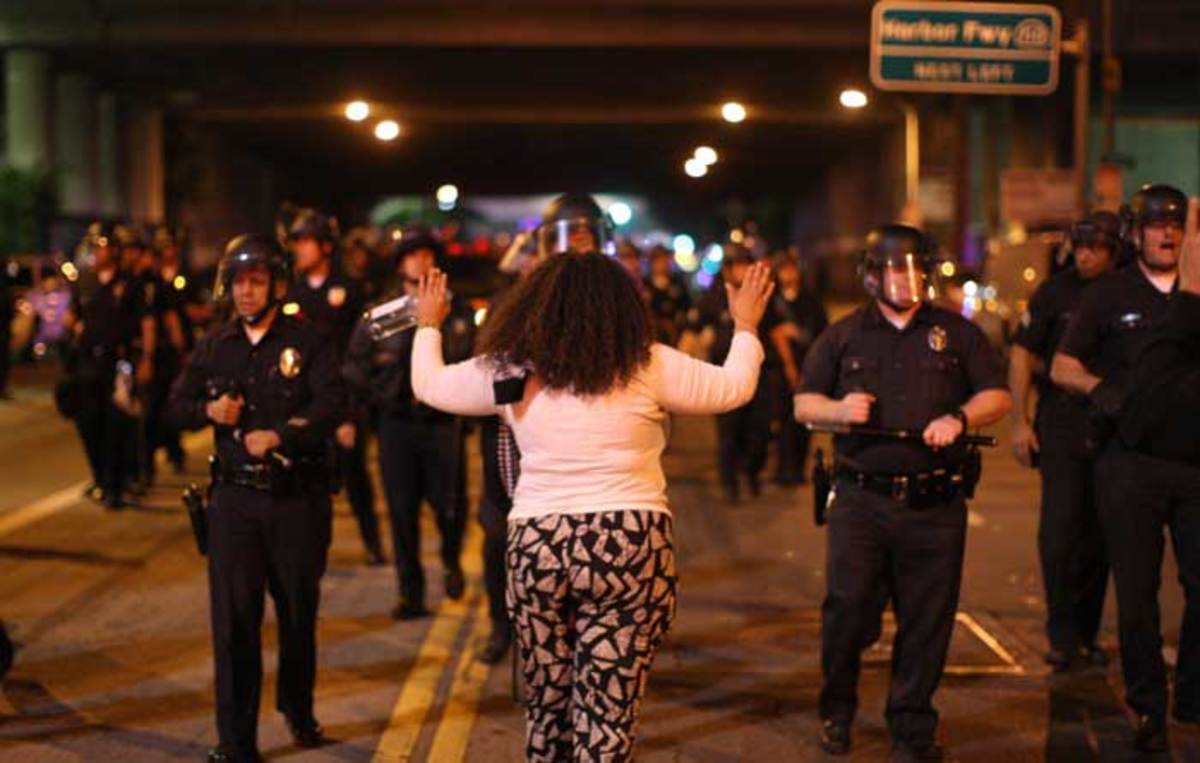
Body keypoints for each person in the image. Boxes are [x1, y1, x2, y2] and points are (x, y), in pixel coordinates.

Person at [410, 250, 775, 763]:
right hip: (628, 540)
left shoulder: (512, 367)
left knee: (547, 699)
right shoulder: (648, 362)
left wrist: (428, 326)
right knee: (608, 707)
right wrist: (746, 327)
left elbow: (429, 386)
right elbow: (735, 387)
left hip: (540, 543)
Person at [795, 224, 1011, 761]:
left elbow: (997, 395)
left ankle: (911, 724)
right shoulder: (843, 335)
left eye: (916, 269)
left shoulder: (958, 334)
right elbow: (804, 405)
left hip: (935, 502)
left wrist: (960, 418)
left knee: (927, 616)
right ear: (872, 275)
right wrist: (839, 412)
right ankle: (837, 710)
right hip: (861, 501)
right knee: (848, 611)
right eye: (896, 269)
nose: (907, 280)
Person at [169, 234, 341, 763]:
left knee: (296, 614)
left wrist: (283, 435)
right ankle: (235, 740)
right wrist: (208, 412)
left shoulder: (308, 341)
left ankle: (298, 708)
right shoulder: (216, 345)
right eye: (238, 282)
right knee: (234, 623)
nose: (245, 292)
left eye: (257, 281)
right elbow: (174, 406)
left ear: (276, 285)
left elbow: (335, 400)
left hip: (295, 499)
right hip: (234, 503)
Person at [1052, 184, 1190, 752]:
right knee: (1136, 593)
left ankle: (1194, 696)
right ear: (1137, 232)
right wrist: (1098, 388)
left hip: (1196, 464)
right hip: (1128, 465)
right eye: (1158, 224)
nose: (1168, 233)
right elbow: (1062, 365)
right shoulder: (1109, 293)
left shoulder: (1199, 290)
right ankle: (1148, 706)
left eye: (1178, 225)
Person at [343, 226, 475, 618]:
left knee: (449, 506)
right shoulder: (383, 313)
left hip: (441, 423)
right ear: (400, 263)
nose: (420, 260)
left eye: (427, 254)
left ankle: (451, 561)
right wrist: (376, 401)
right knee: (401, 511)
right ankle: (410, 592)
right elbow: (354, 365)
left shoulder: (457, 309)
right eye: (412, 254)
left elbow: (473, 358)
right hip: (396, 424)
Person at [1009, 211, 1120, 672]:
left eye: (1096, 247)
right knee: (1060, 531)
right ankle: (1061, 632)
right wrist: (1020, 419)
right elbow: (1022, 353)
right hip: (1061, 423)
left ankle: (1086, 634)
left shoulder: (1127, 291)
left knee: (1102, 535)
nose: (1085, 255)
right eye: (1080, 246)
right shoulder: (1055, 293)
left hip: (1114, 429)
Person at [285, 208, 384, 566]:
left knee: (355, 476)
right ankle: (309, 550)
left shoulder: (350, 289)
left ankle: (373, 541)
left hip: (344, 399)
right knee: (307, 480)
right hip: (303, 401)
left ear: (325, 247)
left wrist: (349, 413)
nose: (300, 249)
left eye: (306, 242)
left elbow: (361, 352)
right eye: (297, 242)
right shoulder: (290, 293)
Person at [63, 223, 144, 509]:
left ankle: (115, 485)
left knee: (116, 427)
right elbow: (72, 315)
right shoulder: (85, 282)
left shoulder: (129, 284)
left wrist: (143, 360)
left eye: (103, 246)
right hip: (88, 363)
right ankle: (100, 477)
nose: (98, 252)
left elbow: (144, 323)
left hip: (116, 364)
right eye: (95, 246)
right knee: (89, 423)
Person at [692, 247, 773, 502]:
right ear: (727, 269)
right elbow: (696, 324)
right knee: (728, 433)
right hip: (722, 372)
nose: (741, 270)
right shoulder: (716, 296)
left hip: (758, 372)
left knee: (758, 431)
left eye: (745, 265)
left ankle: (751, 472)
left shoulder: (763, 294)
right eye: (736, 265)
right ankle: (729, 483)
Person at [766, 252, 828, 484]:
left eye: (791, 269)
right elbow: (767, 331)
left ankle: (799, 470)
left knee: (803, 421)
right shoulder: (772, 300)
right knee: (781, 421)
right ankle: (782, 470)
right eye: (783, 270)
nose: (788, 274)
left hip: (808, 369)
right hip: (778, 371)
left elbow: (823, 334)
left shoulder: (811, 300)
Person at [646, 245, 692, 346]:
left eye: (665, 259)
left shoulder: (678, 284)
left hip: (677, 333)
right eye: (658, 260)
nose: (662, 263)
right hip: (653, 334)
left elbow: (687, 307)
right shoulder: (645, 285)